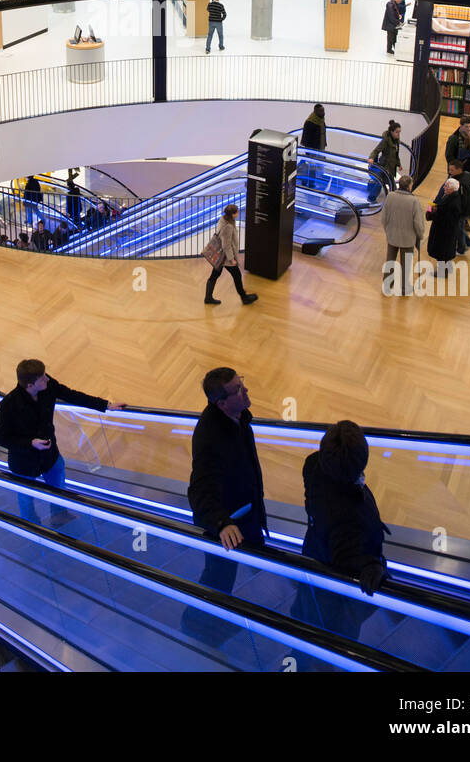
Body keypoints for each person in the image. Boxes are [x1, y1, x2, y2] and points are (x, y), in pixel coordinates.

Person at [182, 368, 266, 639]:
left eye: (243, 384)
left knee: (222, 575)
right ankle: (198, 623)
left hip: (243, 512)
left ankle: (209, 617)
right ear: (222, 403)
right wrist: (222, 523)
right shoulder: (210, 436)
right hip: (226, 523)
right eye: (238, 390)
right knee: (218, 574)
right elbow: (199, 490)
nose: (246, 391)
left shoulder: (237, 417)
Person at [0, 358, 122, 525]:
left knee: (58, 486)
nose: (47, 379)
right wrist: (30, 443)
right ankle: (30, 525)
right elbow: (1, 438)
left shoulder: (48, 387)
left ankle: (59, 515)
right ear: (30, 385)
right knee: (26, 497)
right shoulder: (8, 406)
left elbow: (72, 395)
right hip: (24, 462)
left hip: (50, 455)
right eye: (42, 378)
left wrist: (106, 405)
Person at [302, 421, 388, 596]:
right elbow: (346, 557)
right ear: (363, 461)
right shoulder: (350, 516)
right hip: (334, 589)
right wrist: (371, 564)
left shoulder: (312, 465)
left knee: (305, 601)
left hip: (313, 553)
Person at [204, 204, 257, 307]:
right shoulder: (228, 226)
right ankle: (244, 298)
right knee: (237, 276)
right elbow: (226, 245)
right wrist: (231, 259)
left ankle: (208, 297)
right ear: (233, 214)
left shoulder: (224, 219)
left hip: (220, 256)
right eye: (236, 212)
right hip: (226, 258)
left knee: (214, 275)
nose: (238, 213)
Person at [380, 175, 424, 296]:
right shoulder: (413, 201)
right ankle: (404, 289)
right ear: (410, 186)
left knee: (390, 262)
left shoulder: (390, 196)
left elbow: (383, 218)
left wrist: (388, 231)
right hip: (408, 239)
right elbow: (418, 223)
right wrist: (420, 235)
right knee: (406, 265)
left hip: (392, 236)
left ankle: (387, 286)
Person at [426, 177, 461, 275]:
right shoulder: (450, 197)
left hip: (444, 232)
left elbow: (445, 217)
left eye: (446, 186)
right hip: (445, 231)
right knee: (444, 252)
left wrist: (432, 212)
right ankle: (446, 269)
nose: (444, 187)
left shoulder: (452, 202)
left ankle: (442, 272)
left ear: (452, 189)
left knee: (442, 252)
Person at [445, 158, 470, 252]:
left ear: (459, 169)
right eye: (449, 170)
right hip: (468, 207)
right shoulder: (468, 175)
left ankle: (462, 248)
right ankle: (469, 243)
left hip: (461, 210)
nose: (450, 172)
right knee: (460, 227)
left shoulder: (456, 182)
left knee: (458, 229)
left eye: (452, 170)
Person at [368, 119, 402, 195]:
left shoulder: (396, 141)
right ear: (391, 132)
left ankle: (372, 198)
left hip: (391, 167)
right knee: (383, 183)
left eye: (399, 132)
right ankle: (372, 198)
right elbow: (376, 150)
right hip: (385, 166)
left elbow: (396, 154)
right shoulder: (386, 141)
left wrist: (399, 164)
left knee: (382, 183)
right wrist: (371, 158)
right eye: (397, 132)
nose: (398, 134)